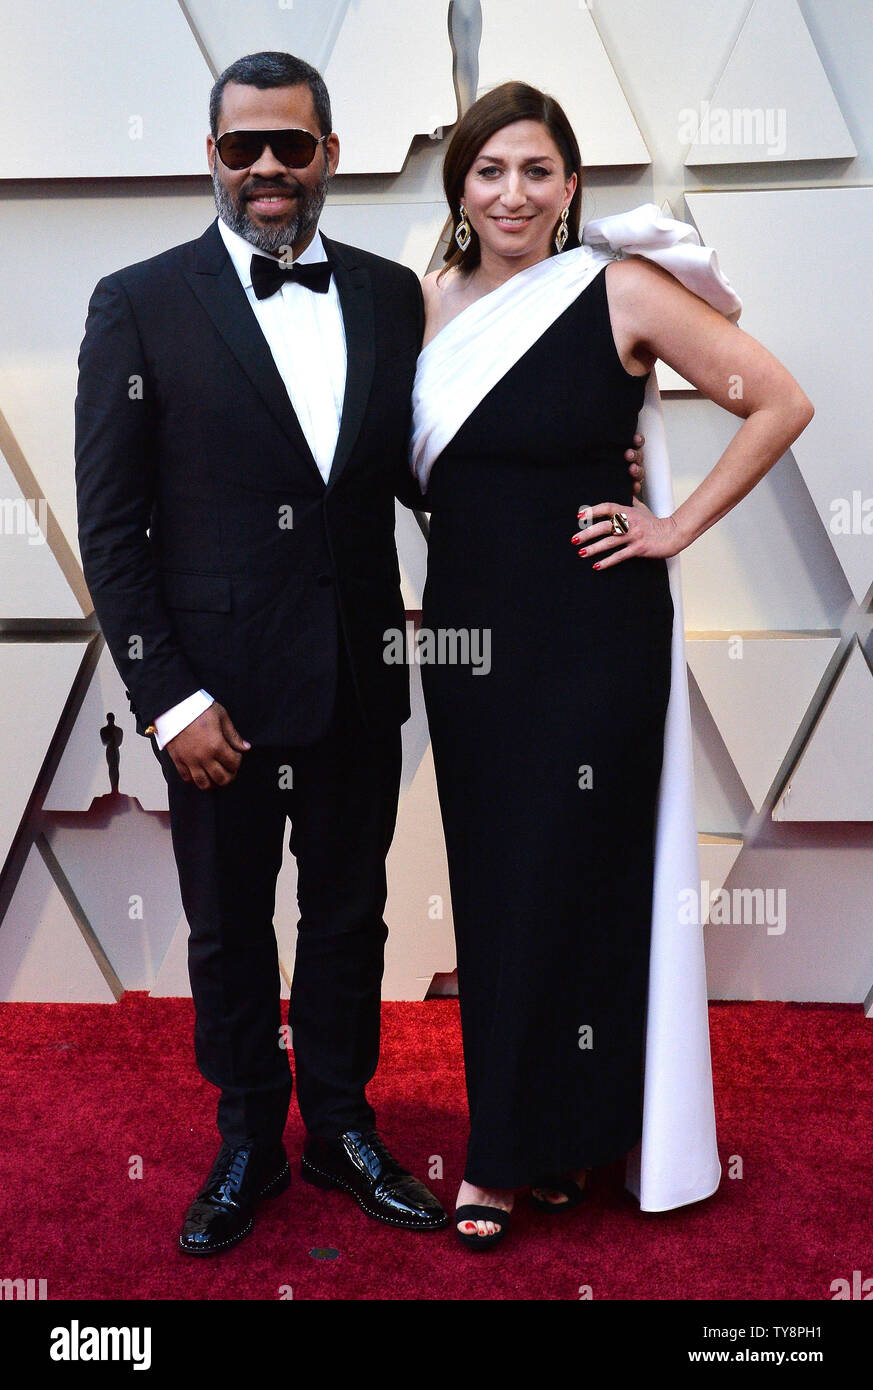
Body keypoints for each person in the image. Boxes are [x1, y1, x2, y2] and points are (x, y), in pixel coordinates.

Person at [73, 49, 651, 1257]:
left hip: (357, 681)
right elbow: (111, 531)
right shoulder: (138, 303)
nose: (270, 167)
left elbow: (445, 463)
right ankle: (248, 1141)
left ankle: (340, 1129)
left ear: (330, 156)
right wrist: (166, 696)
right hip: (214, 698)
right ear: (214, 160)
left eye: (293, 145)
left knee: (352, 920)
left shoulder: (398, 297)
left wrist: (602, 471)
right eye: (246, 148)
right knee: (230, 929)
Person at [411, 82, 814, 1249]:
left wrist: (672, 527)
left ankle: (511, 1160)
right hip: (472, 640)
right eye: (490, 171)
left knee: (576, 878)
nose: (513, 194)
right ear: (460, 188)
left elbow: (775, 401)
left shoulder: (619, 288)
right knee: (497, 886)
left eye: (538, 170)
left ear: (573, 185)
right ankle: (539, 1136)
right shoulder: (426, 305)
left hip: (593, 631)